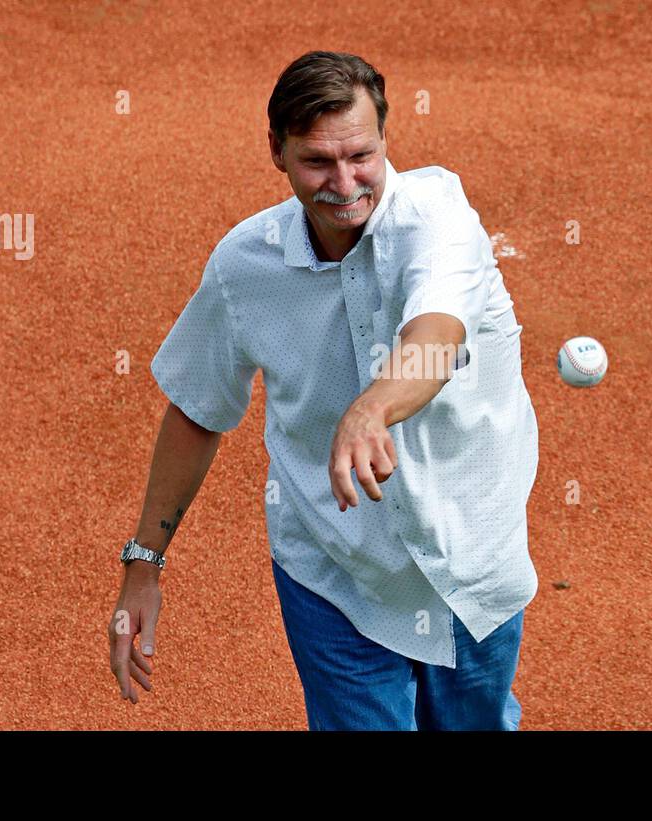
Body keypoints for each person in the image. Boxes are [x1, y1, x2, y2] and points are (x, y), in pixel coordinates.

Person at [107, 50, 539, 730]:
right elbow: (197, 408)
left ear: (386, 140)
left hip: (469, 560)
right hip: (335, 573)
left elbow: (434, 335)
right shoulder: (244, 267)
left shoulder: (441, 220)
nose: (345, 183)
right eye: (317, 162)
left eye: (361, 155)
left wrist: (370, 408)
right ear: (275, 151)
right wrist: (144, 564)